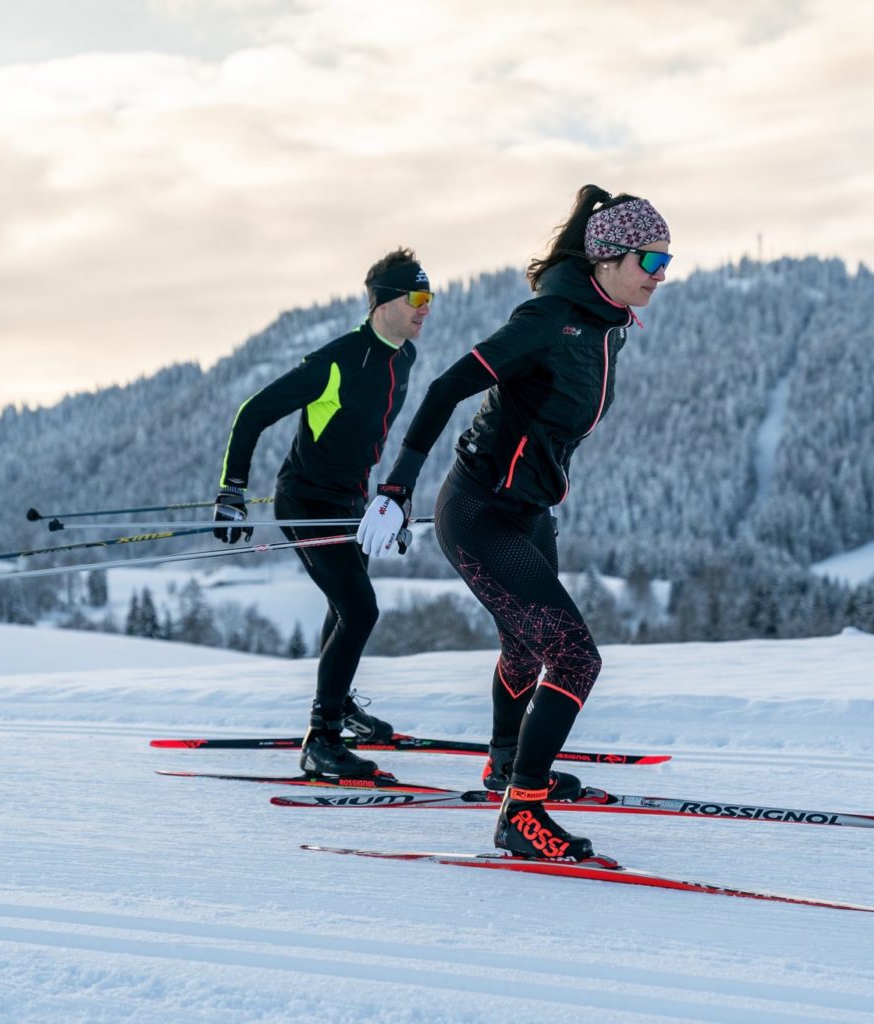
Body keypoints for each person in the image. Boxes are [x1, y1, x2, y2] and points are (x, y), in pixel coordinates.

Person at [356, 186, 670, 859]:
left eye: (667, 258)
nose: (661, 272)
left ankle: (505, 764)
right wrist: (394, 489)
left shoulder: (601, 322)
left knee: (527, 648)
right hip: (478, 513)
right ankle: (520, 812)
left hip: (528, 513)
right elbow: (445, 389)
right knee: (576, 656)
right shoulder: (549, 320)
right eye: (651, 257)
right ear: (608, 259)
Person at [214, 248, 432, 779]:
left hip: (356, 506)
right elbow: (253, 412)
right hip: (308, 504)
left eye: (430, 299)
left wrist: (390, 500)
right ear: (384, 303)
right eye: (418, 298)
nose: (427, 309)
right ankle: (323, 738)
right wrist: (232, 491)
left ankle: (340, 707)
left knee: (344, 608)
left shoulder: (404, 356)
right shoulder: (337, 360)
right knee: (360, 609)